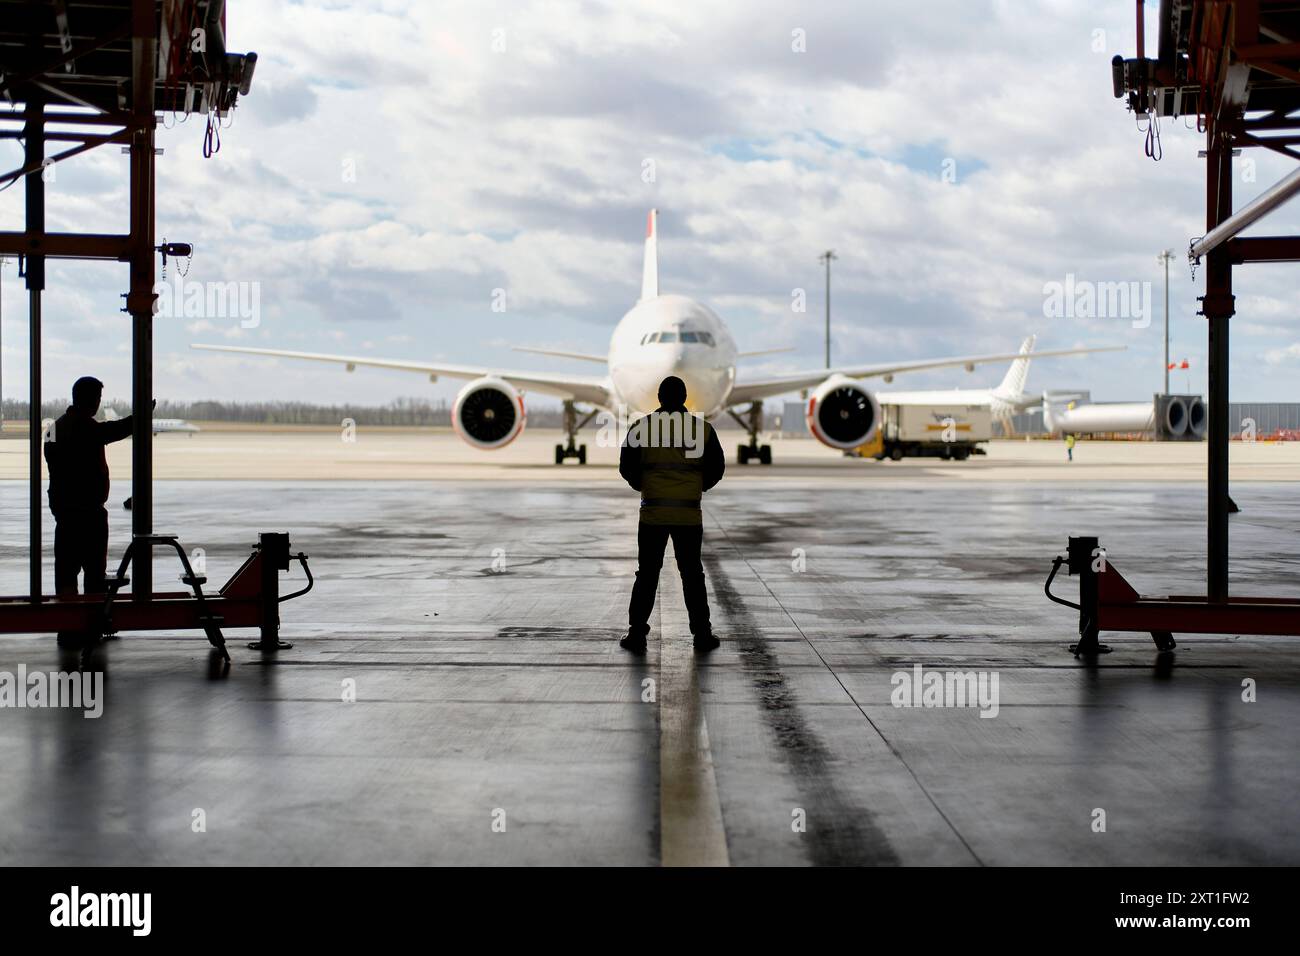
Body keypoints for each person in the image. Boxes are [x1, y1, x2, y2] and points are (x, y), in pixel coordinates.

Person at [619, 376, 725, 653]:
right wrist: (696, 487)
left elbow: (626, 467)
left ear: (660, 398)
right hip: (688, 516)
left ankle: (637, 635)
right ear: (684, 398)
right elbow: (717, 468)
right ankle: (702, 635)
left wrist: (645, 486)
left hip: (652, 514)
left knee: (647, 575)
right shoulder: (702, 430)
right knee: (692, 576)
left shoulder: (641, 428)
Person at [43, 377, 145, 646]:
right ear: (89, 399)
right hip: (88, 514)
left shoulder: (54, 429)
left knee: (65, 572)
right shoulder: (86, 428)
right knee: (93, 574)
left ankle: (67, 626)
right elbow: (112, 431)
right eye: (97, 398)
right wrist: (141, 416)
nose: (99, 404)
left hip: (65, 515)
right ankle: (91, 625)